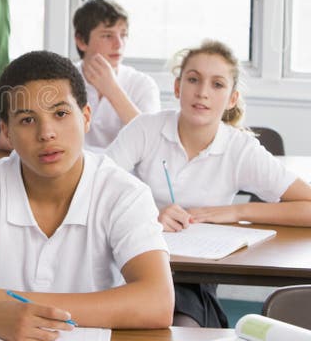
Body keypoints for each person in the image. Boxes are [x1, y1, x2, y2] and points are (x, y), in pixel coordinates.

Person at [0, 51, 174, 338]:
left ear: (86, 117)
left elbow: (158, 301)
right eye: (27, 120)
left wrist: (9, 301)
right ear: (7, 132)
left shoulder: (124, 193)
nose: (47, 133)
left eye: (61, 114)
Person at [106, 39, 311, 327]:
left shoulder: (239, 148)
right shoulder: (145, 129)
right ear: (177, 88)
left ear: (231, 99)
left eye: (217, 84)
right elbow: (97, 185)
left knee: (181, 324)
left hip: (193, 278)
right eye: (193, 79)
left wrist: (237, 213)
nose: (202, 92)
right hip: (132, 260)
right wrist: (150, 213)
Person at [73, 0, 160, 150]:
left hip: (123, 172)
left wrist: (112, 90)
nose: (119, 44)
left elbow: (153, 143)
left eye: (123, 35)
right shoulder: (63, 81)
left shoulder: (143, 85)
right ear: (81, 41)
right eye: (107, 35)